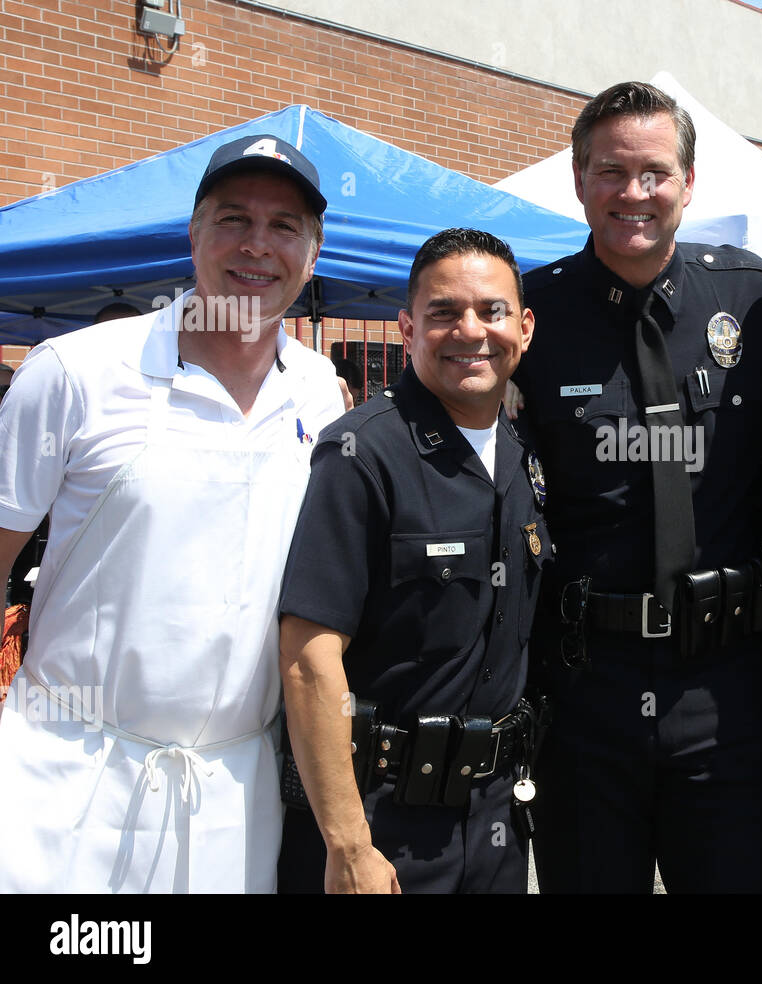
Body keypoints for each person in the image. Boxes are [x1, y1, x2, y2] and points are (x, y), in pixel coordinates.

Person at [0, 133, 344, 892]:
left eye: (284, 226)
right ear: (193, 235)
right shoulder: (74, 373)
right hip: (61, 784)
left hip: (233, 799)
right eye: (233, 219)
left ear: (313, 253)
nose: (257, 246)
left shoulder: (322, 392)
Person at [510, 80, 762, 893]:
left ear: (689, 182)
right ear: (579, 181)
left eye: (654, 173)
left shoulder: (750, 298)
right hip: (585, 687)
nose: (632, 193)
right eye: (610, 172)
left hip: (726, 682)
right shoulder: (529, 314)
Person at [277, 228, 548, 894]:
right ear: (406, 328)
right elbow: (309, 657)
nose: (470, 330)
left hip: (493, 822)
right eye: (443, 313)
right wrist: (348, 846)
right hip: (380, 824)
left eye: (492, 310)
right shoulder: (361, 456)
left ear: (526, 326)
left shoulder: (524, 457)